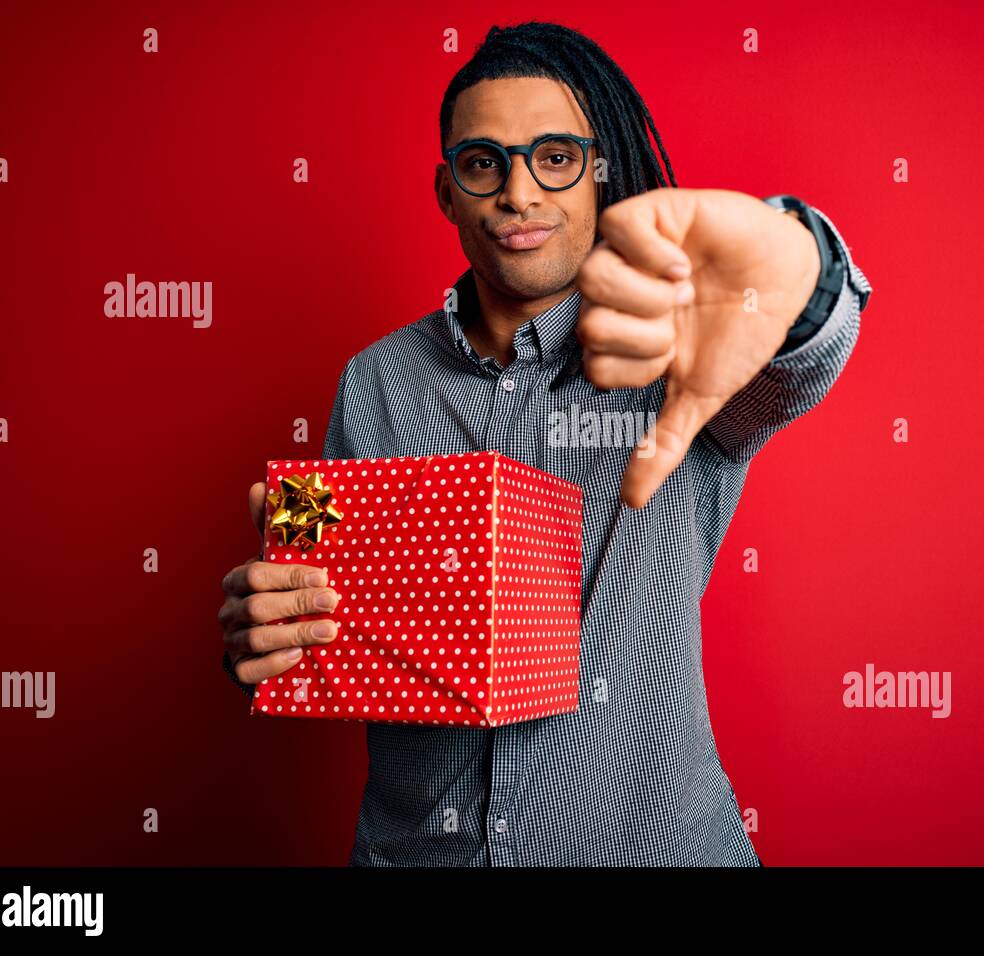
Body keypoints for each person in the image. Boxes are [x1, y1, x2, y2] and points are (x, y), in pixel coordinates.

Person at [217, 20, 871, 866]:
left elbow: (799, 359)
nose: (518, 193)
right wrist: (262, 636)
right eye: (484, 162)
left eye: (555, 157)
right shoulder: (373, 383)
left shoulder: (681, 352)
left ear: (599, 178)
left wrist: (798, 270)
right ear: (449, 192)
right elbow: (318, 625)